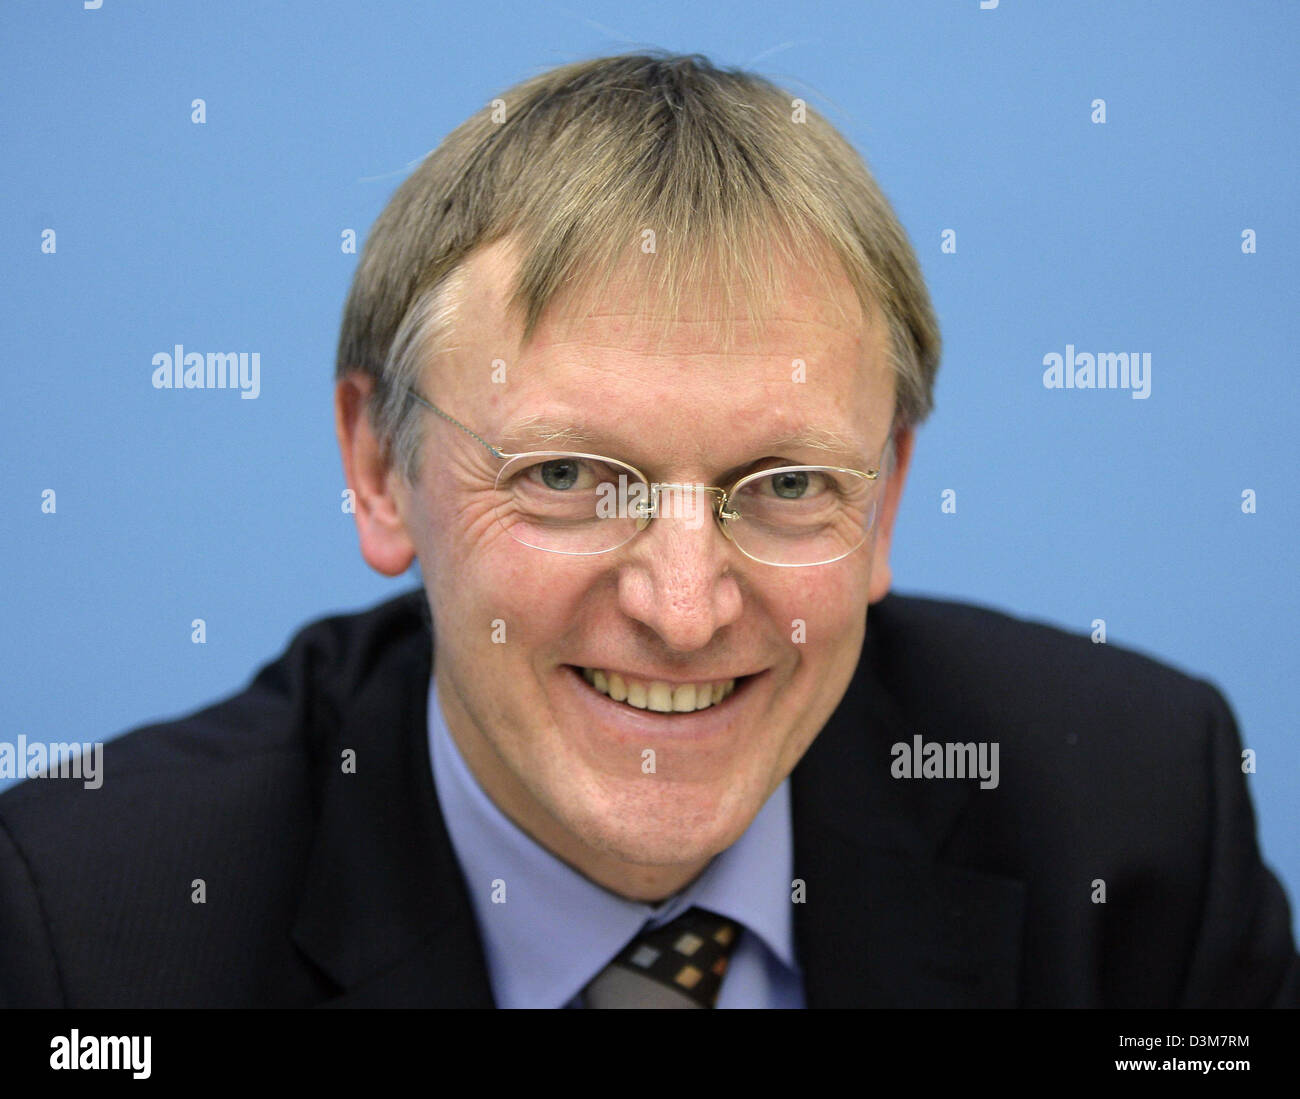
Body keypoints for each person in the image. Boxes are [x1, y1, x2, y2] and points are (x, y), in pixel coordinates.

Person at [1, 52, 1295, 1009]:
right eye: (570, 474)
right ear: (380, 468)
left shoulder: (1132, 835)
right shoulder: (91, 935)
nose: (684, 610)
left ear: (886, 496)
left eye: (786, 486)